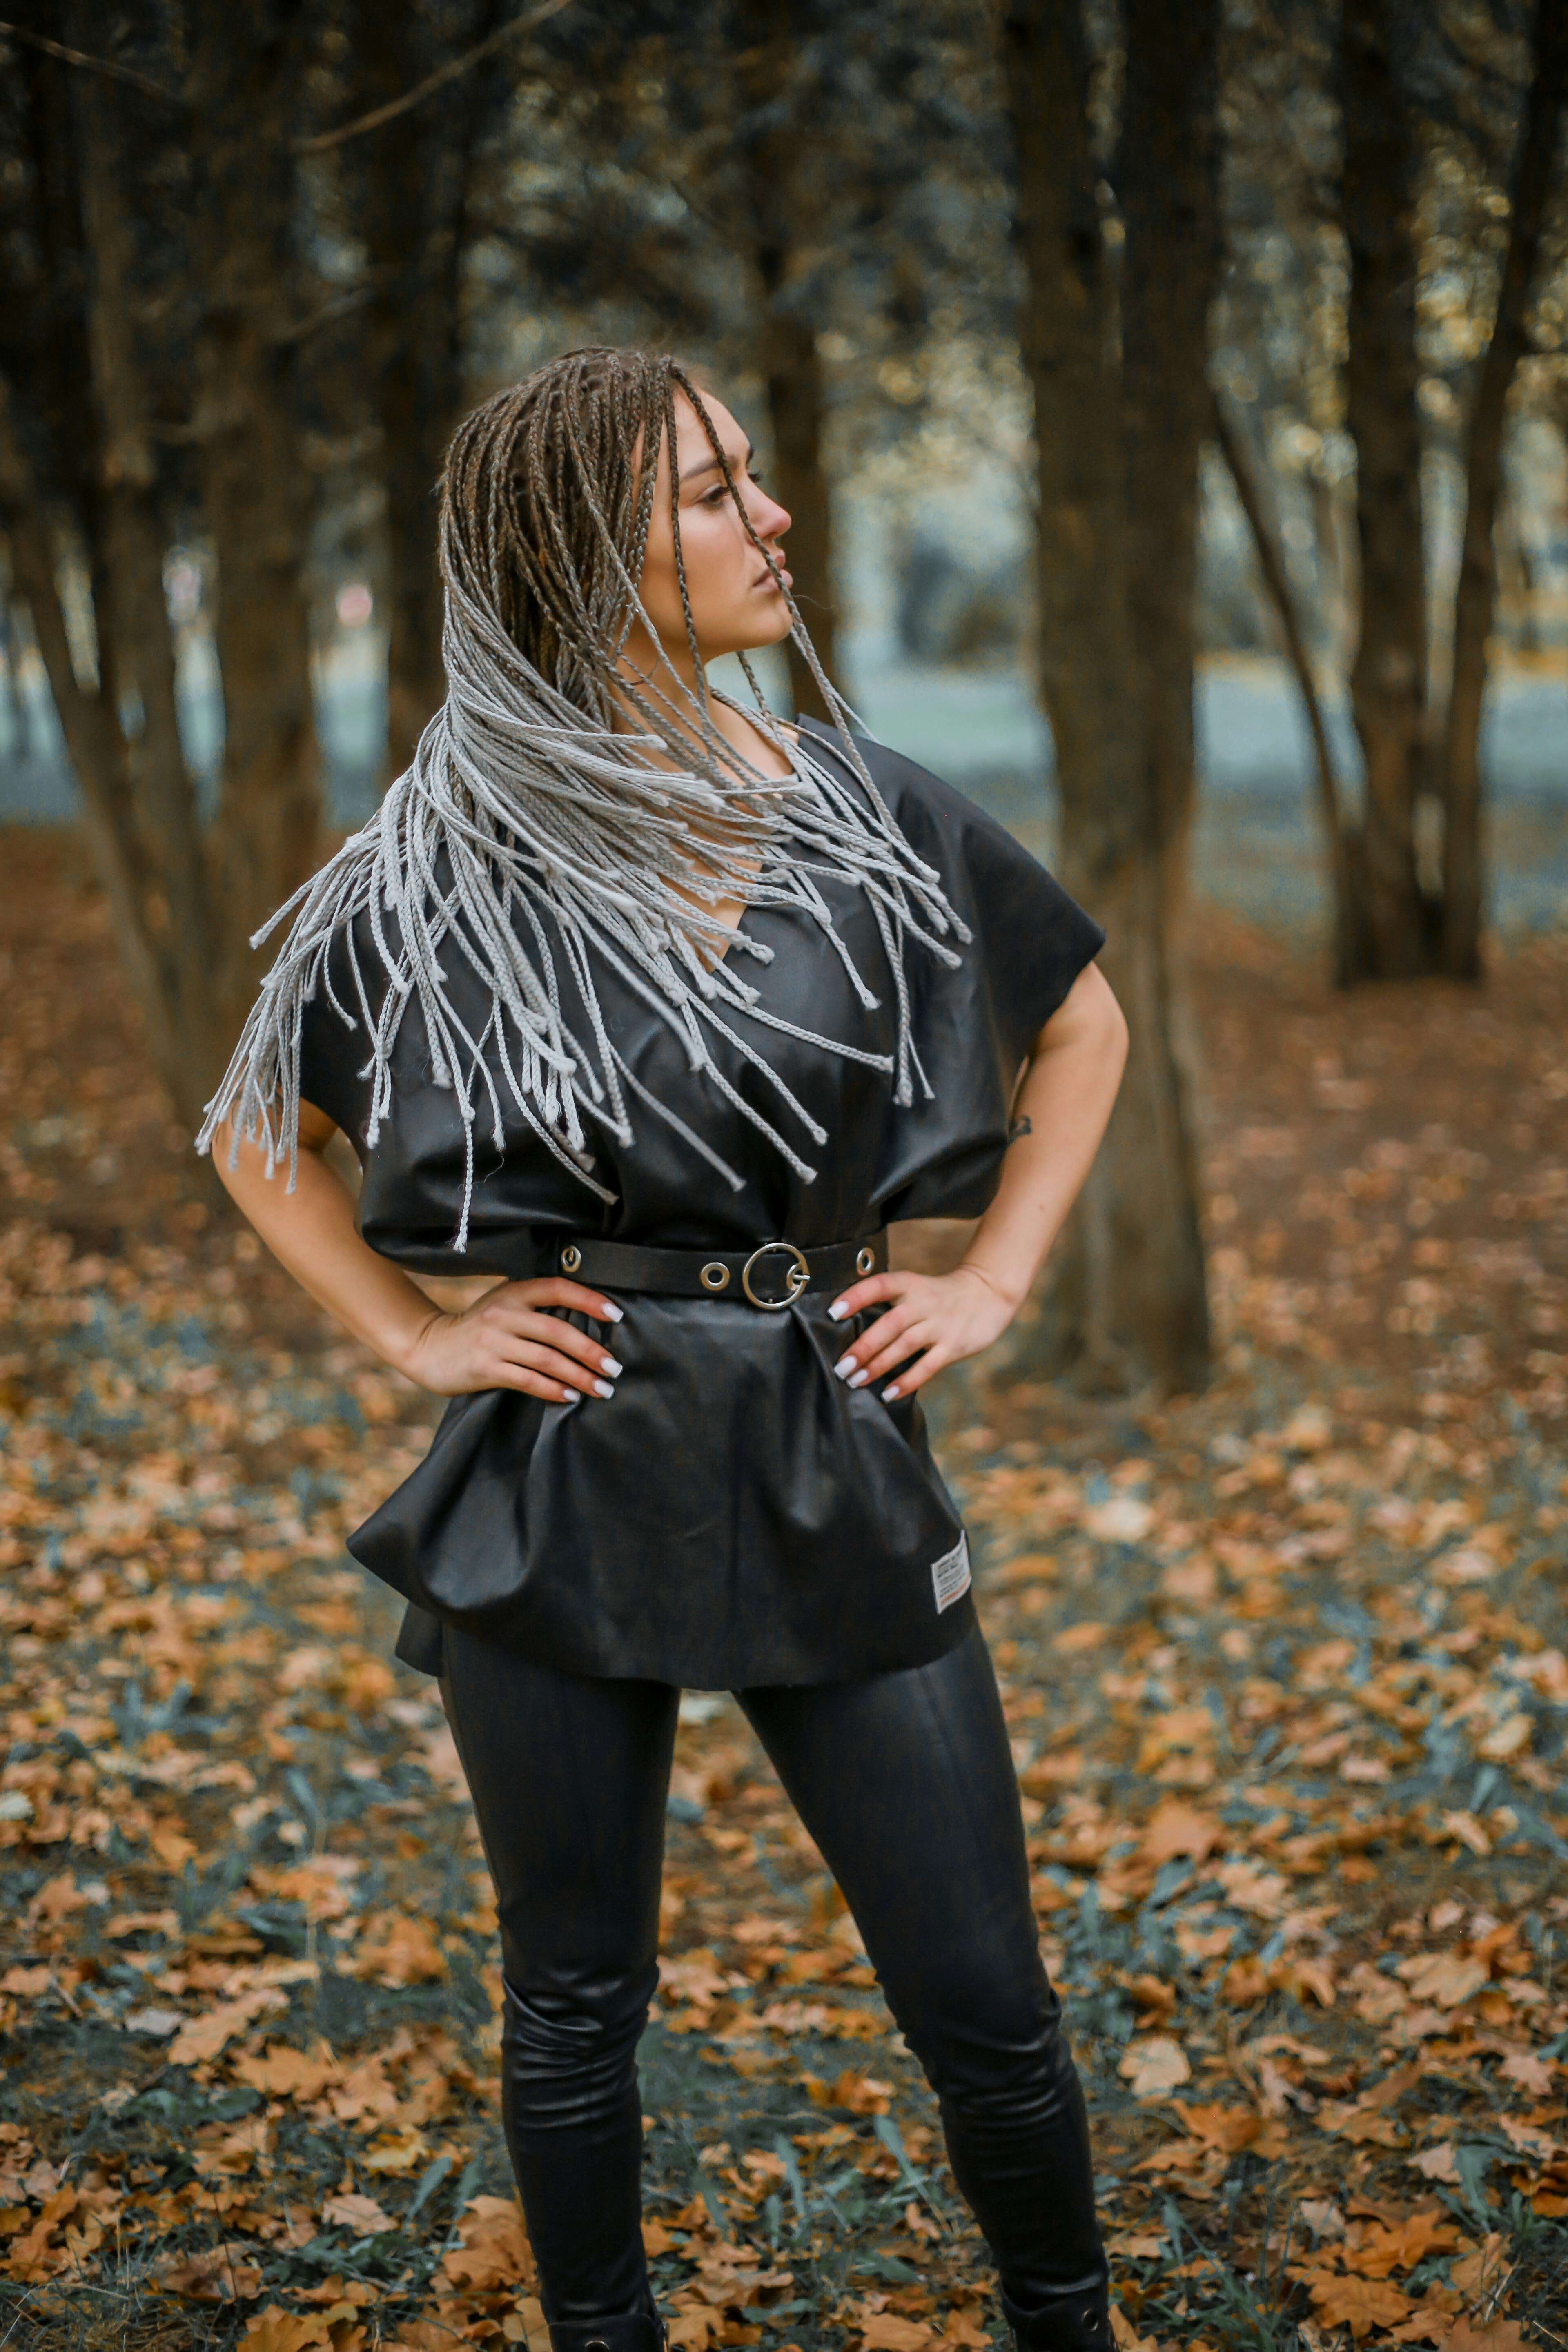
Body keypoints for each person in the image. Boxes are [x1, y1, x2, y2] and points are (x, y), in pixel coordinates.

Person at [203, 347, 1128, 2352]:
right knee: (571, 2002)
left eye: (750, 478)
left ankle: (1072, 2325)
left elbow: (1083, 1021)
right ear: (574, 554)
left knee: (983, 1995)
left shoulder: (867, 809)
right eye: (713, 492)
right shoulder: (449, 857)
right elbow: (255, 1128)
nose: (771, 514)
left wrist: (994, 1282)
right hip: (571, 1454)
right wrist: (421, 1339)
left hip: (827, 1427)